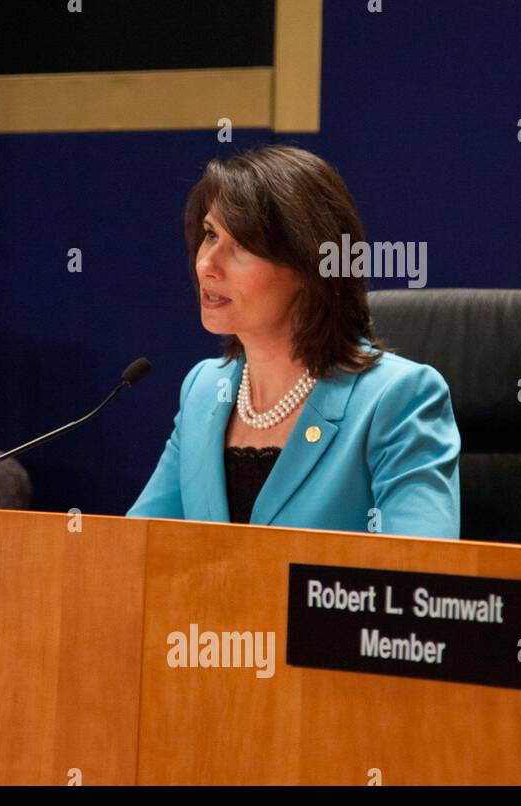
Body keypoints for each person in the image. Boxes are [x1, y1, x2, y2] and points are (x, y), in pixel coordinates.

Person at [126, 145, 460, 538]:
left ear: (310, 267)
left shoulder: (396, 398)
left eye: (242, 247)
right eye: (211, 235)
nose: (206, 264)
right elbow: (138, 547)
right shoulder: (204, 389)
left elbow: (419, 571)